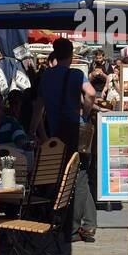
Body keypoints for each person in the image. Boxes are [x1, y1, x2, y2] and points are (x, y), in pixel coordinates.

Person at [38, 38, 98, 242]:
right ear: (71, 54)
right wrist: (86, 112)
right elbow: (90, 93)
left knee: (70, 176)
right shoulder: (75, 74)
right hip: (75, 128)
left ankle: (89, 225)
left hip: (56, 131)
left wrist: (34, 131)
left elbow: (40, 105)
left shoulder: (46, 76)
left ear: (54, 53)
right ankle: (72, 229)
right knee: (80, 176)